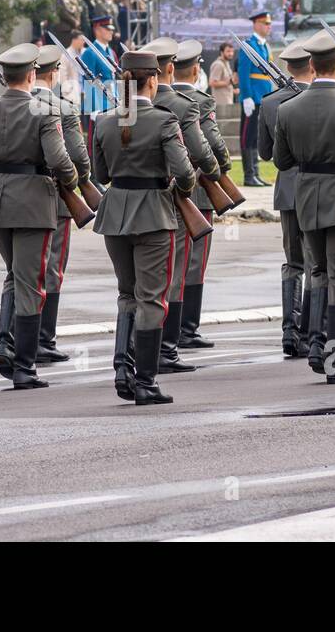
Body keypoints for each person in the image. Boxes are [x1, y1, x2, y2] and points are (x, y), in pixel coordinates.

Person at [0, 43, 78, 389]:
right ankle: (25, 366)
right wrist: (72, 181)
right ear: (32, 74)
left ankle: (6, 342)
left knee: (15, 275)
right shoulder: (44, 109)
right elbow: (59, 160)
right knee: (31, 283)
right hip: (32, 201)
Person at [92, 49, 198, 405]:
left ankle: (123, 368)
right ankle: (146, 381)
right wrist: (179, 192)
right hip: (153, 213)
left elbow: (101, 174)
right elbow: (184, 174)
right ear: (153, 79)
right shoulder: (164, 120)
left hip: (116, 211)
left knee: (127, 294)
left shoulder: (105, 120)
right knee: (152, 299)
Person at [272, 27, 335, 385]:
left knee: (319, 273)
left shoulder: (288, 108)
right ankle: (334, 360)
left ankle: (315, 345)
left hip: (308, 197)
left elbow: (281, 160)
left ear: (312, 65)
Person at [147, 37, 221, 372]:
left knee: (145, 278)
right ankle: (172, 341)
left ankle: (141, 351)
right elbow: (208, 150)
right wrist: (216, 172)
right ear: (172, 67)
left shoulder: (129, 108)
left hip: (144, 198)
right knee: (182, 269)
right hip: (186, 191)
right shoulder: (191, 103)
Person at [30, 44, 93, 364]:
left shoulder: (11, 106)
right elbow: (79, 160)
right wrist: (76, 182)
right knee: (51, 269)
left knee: (21, 272)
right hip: (55, 197)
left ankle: (18, 340)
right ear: (53, 73)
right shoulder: (63, 108)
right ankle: (43, 338)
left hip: (19, 200)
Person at [172, 40, 233, 350]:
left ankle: (170, 328)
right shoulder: (200, 101)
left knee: (169, 261)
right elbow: (212, 143)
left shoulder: (154, 99)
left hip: (165, 190)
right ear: (196, 69)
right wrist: (221, 167)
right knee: (194, 262)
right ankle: (187, 328)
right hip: (196, 189)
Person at [258, 41, 312, 358]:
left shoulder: (271, 103)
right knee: (321, 264)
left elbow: (267, 154)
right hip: (324, 190)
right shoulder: (332, 98)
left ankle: (291, 332)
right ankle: (314, 331)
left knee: (294, 263)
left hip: (289, 189)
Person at [236, 10, 274, 187]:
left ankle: (256, 174)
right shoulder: (248, 45)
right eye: (265, 24)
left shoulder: (264, 45)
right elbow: (243, 74)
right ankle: (248, 175)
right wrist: (247, 97)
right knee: (247, 136)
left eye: (269, 24)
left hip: (263, 97)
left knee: (256, 137)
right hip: (252, 98)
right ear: (256, 24)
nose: (269, 27)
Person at [80, 15, 118, 150]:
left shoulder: (112, 52)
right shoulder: (90, 53)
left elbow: (114, 79)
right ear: (97, 29)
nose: (111, 32)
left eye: (111, 29)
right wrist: (94, 109)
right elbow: (87, 81)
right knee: (96, 145)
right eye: (107, 29)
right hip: (99, 106)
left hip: (113, 103)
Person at [209, 42, 237, 112]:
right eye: (228, 51)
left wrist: (233, 90)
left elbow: (226, 83)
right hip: (221, 105)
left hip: (227, 102)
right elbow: (212, 83)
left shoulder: (226, 63)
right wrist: (229, 82)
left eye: (232, 51)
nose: (231, 54)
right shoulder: (218, 64)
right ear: (221, 52)